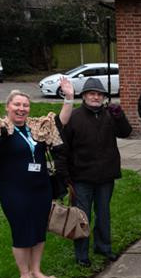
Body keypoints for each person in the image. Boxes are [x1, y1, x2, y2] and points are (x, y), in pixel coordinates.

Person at [0, 57, 75, 278]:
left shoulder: (36, 127)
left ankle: (37, 270)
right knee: (21, 229)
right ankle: (24, 275)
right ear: (8, 107)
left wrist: (69, 97)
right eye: (16, 105)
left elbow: (59, 124)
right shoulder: (1, 128)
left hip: (40, 187)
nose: (21, 109)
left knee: (38, 228)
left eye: (25, 105)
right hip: (13, 189)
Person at [55, 77, 132, 267]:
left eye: (99, 94)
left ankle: (103, 246)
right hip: (81, 177)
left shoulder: (109, 115)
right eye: (92, 94)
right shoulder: (73, 117)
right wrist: (65, 176)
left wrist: (119, 115)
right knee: (82, 216)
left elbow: (125, 132)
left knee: (103, 213)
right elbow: (61, 148)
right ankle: (81, 253)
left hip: (106, 175)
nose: (96, 97)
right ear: (84, 96)